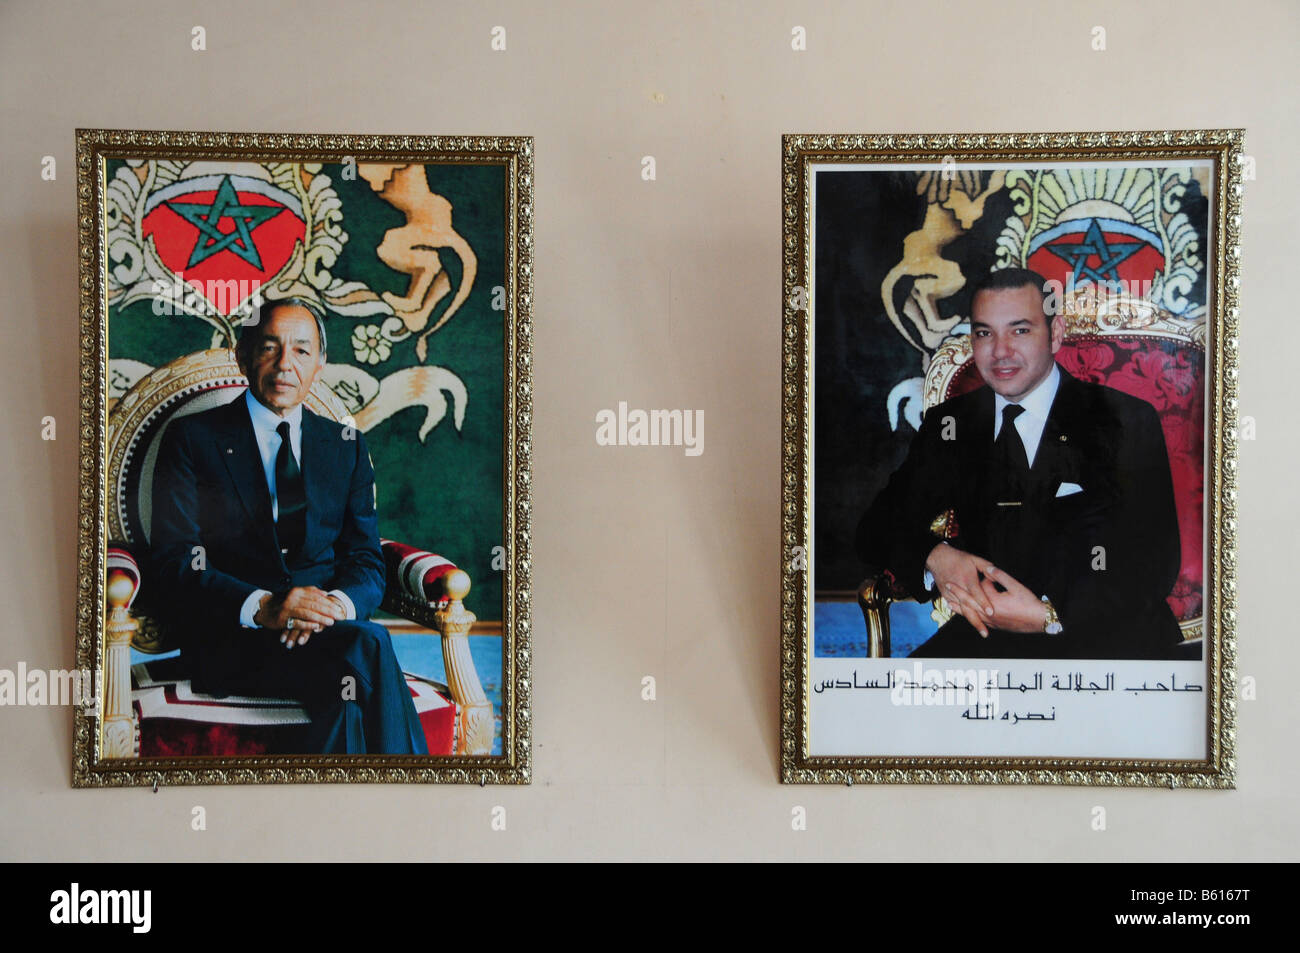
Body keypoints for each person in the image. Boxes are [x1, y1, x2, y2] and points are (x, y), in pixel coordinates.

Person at [856, 268, 1184, 659]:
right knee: (900, 706)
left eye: (1020, 330)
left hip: (1109, 636)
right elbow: (875, 527)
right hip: (987, 639)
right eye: (984, 333)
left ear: (1056, 333)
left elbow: (1154, 562)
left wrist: (1050, 615)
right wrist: (936, 557)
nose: (1000, 352)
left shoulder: (1124, 419)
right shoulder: (952, 424)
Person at [148, 296, 428, 753]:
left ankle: (333, 818)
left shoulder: (344, 447)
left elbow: (364, 558)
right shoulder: (193, 439)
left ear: (320, 363)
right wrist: (265, 607)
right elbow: (174, 563)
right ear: (243, 355)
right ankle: (416, 801)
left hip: (331, 637)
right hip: (236, 641)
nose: (284, 365)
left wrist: (332, 608)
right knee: (370, 644)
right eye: (269, 348)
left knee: (347, 697)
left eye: (301, 350)